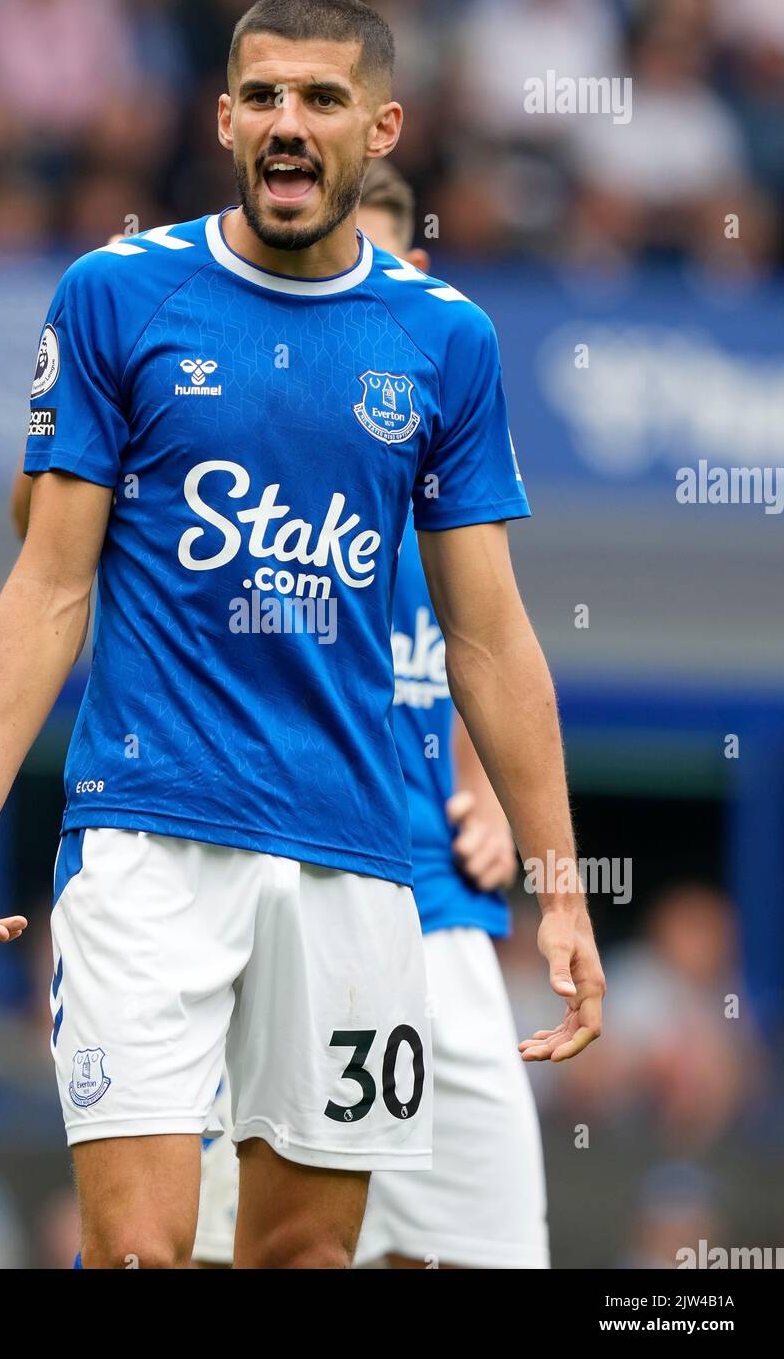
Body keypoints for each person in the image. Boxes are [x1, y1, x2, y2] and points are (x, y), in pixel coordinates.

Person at [0, 0, 604, 1270]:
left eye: (324, 99)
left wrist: (561, 886)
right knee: (137, 1252)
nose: (290, 125)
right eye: (266, 97)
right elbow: (49, 582)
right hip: (145, 843)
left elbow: (492, 638)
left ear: (383, 124)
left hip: (355, 865)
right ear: (223, 115)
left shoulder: (444, 340)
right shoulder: (114, 295)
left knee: (304, 1258)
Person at [192, 161, 549, 1270]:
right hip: (261, 895)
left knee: (467, 1248)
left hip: (432, 911)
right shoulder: (235, 454)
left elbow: (485, 652)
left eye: (375, 265)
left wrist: (489, 793)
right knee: (227, 1245)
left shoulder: (443, 448)